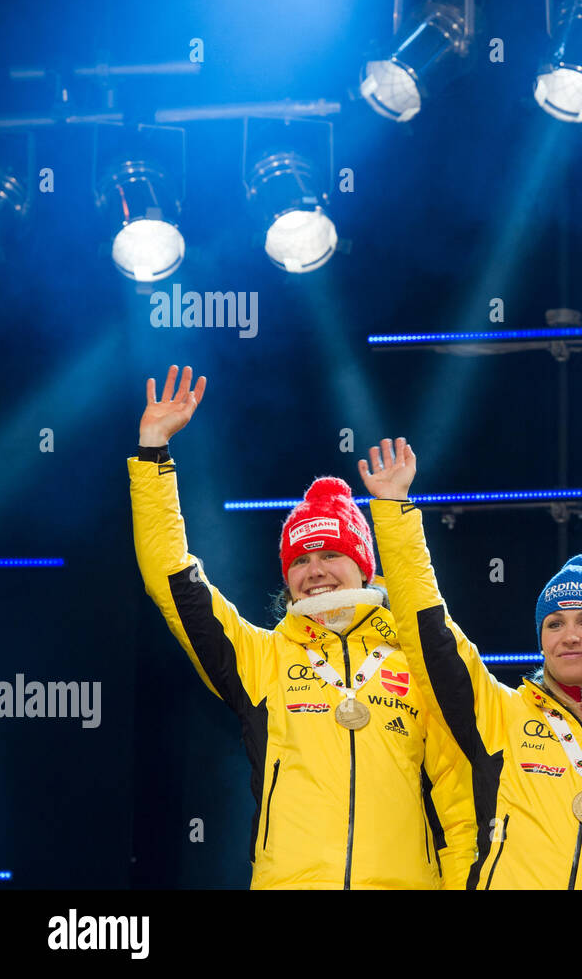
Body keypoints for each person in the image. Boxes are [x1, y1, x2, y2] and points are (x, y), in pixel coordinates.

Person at [129, 365, 475, 889]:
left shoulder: (419, 662)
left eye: (331, 554)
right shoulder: (261, 660)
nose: (314, 571)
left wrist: (393, 511)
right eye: (300, 560)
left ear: (365, 567)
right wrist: (153, 452)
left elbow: (460, 803)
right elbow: (173, 581)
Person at [359, 437, 582, 889]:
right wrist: (394, 512)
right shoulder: (500, 715)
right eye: (554, 624)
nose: (569, 636)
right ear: (541, 642)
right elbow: (431, 637)